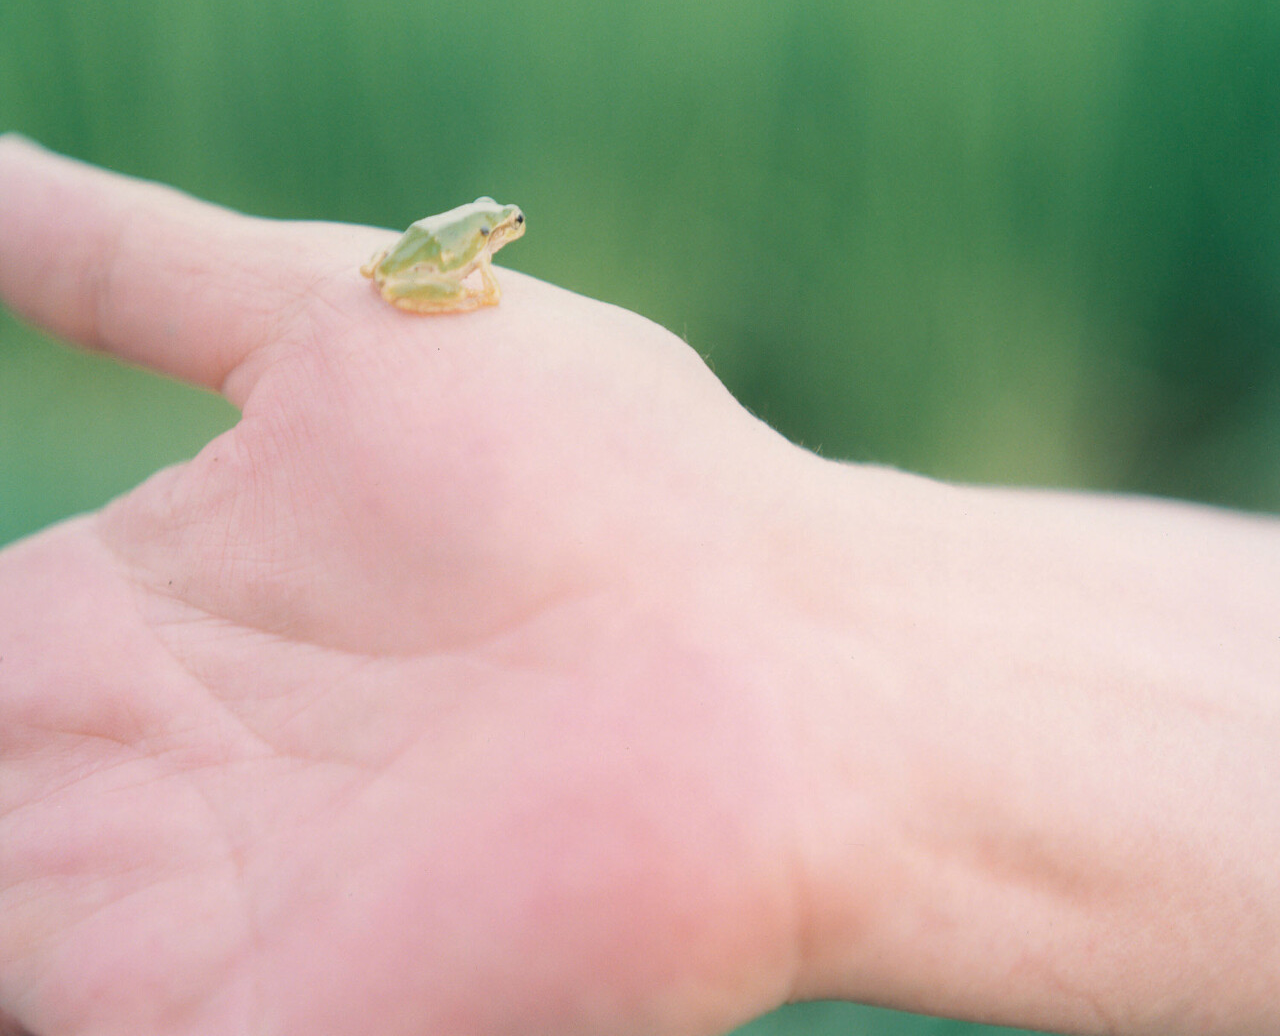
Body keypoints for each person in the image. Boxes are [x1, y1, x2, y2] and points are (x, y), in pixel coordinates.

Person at [0, 135, 1275, 1036]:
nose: (506, 234)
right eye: (501, 227)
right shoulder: (457, 257)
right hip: (409, 287)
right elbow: (421, 275)